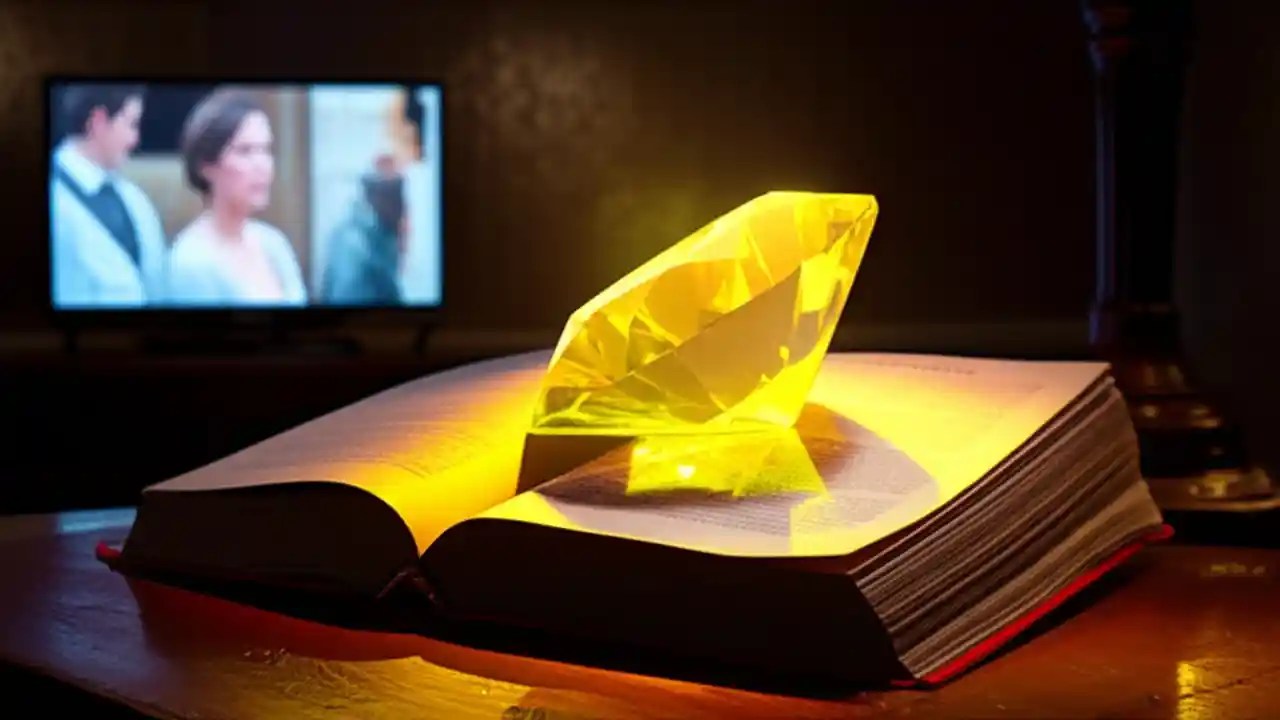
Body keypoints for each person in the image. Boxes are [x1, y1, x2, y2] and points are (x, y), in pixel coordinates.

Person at [166, 90, 306, 306]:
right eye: (245, 151)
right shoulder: (191, 261)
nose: (262, 165)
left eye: (266, 150)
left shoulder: (274, 243)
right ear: (206, 165)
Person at [50, 84, 167, 307]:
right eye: (132, 124)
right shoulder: (51, 198)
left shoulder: (134, 197)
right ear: (99, 121)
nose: (135, 139)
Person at [320, 155, 405, 305]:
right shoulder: (353, 244)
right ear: (372, 195)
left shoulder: (382, 234)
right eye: (391, 194)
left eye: (399, 194)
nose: (400, 205)